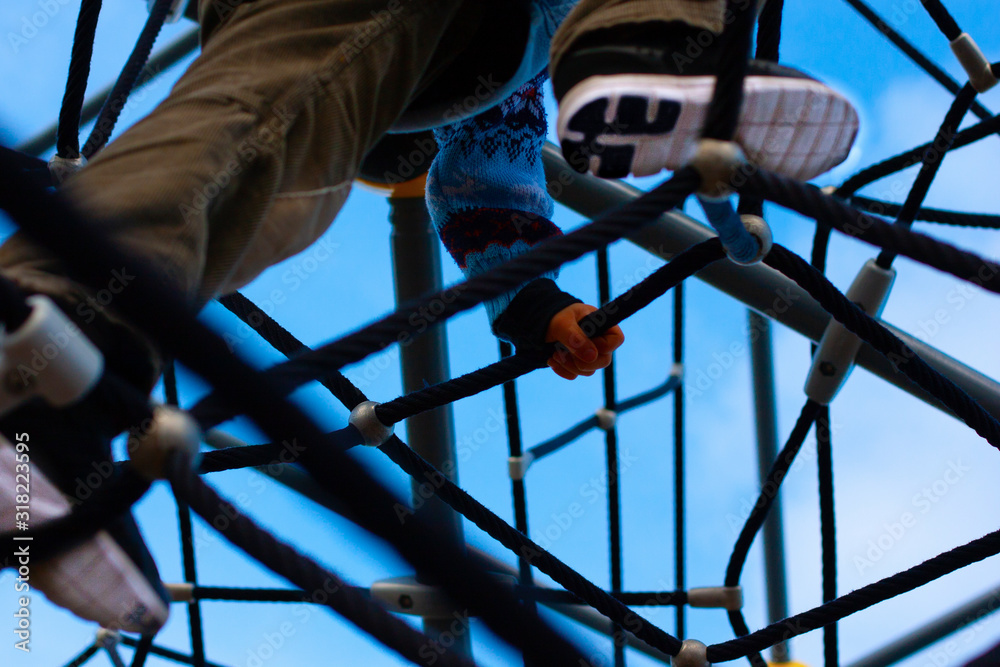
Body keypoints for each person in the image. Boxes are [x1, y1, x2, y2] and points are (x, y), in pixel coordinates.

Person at [0, 0, 856, 636]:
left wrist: (531, 296)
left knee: (273, 170)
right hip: (450, 52)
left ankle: (43, 389)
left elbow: (488, 157)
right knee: (275, 130)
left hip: (421, 54)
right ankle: (653, 42)